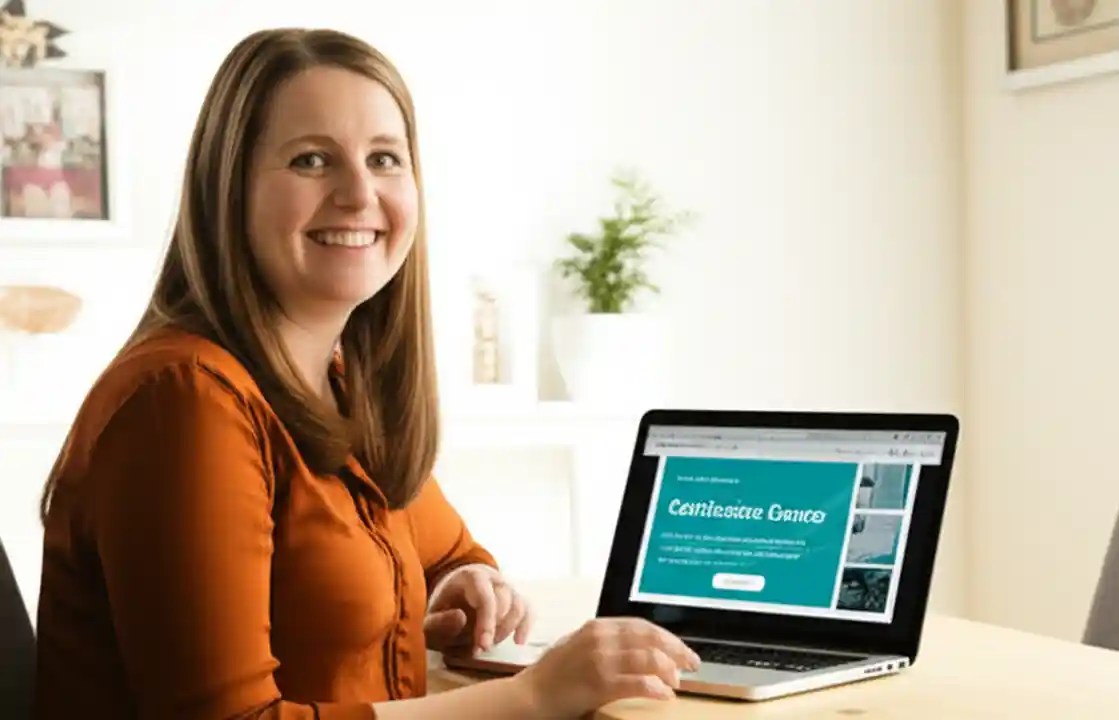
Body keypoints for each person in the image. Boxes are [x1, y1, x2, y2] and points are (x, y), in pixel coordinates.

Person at [32, 27, 699, 719]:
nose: (358, 193)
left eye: (384, 159)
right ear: (228, 189)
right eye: (311, 160)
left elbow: (449, 550)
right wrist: (531, 696)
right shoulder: (186, 400)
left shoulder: (333, 384)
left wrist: (460, 583)